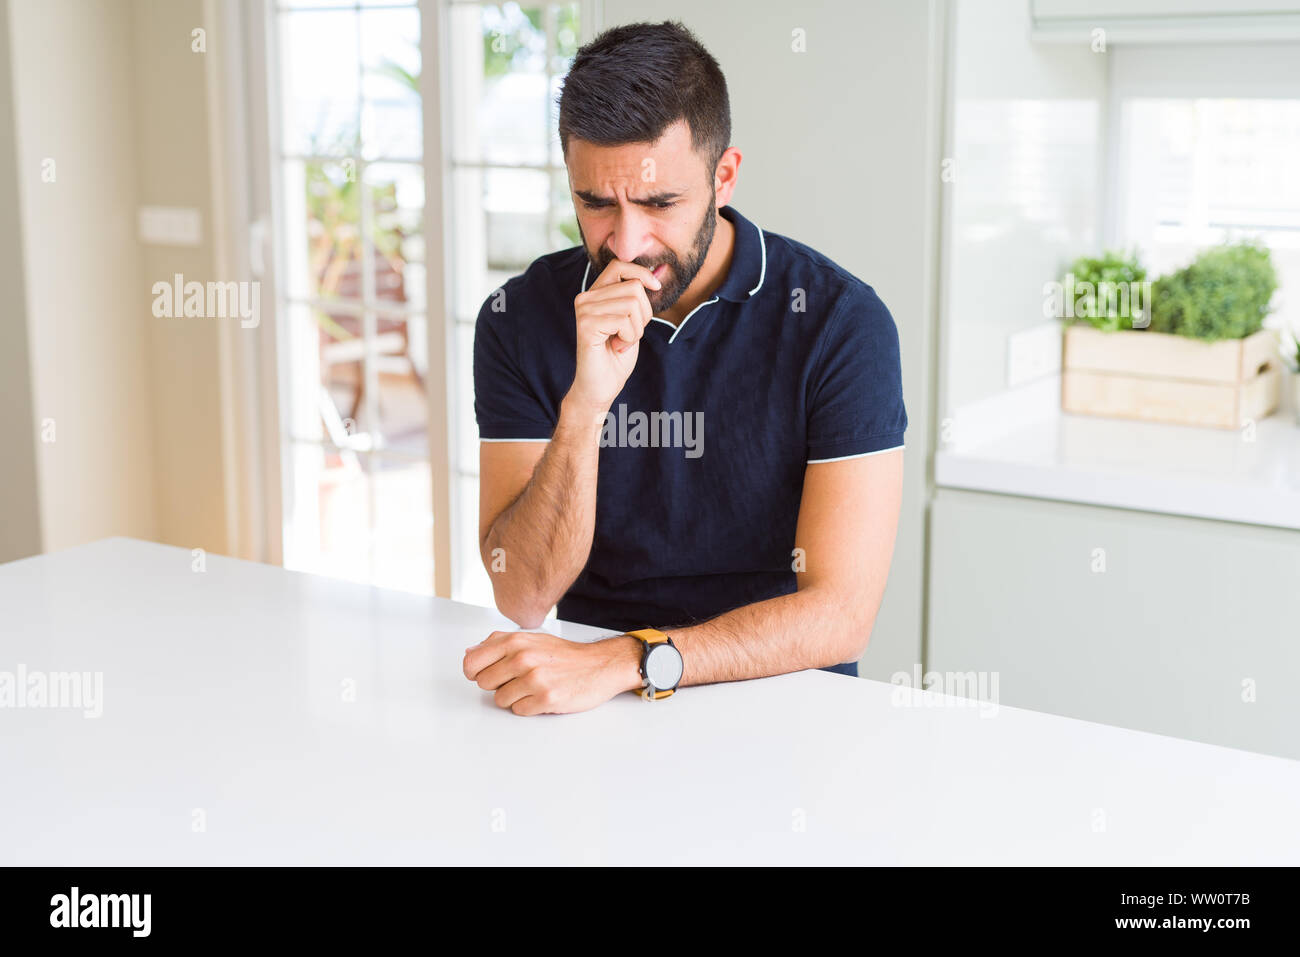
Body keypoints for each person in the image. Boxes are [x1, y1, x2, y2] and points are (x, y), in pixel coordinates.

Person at [463, 20, 906, 715]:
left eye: (660, 203)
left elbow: (841, 614)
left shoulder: (841, 323)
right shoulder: (516, 318)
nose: (628, 242)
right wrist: (584, 407)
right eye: (596, 203)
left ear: (723, 177)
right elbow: (522, 593)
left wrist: (630, 659)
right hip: (592, 704)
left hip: (779, 696)